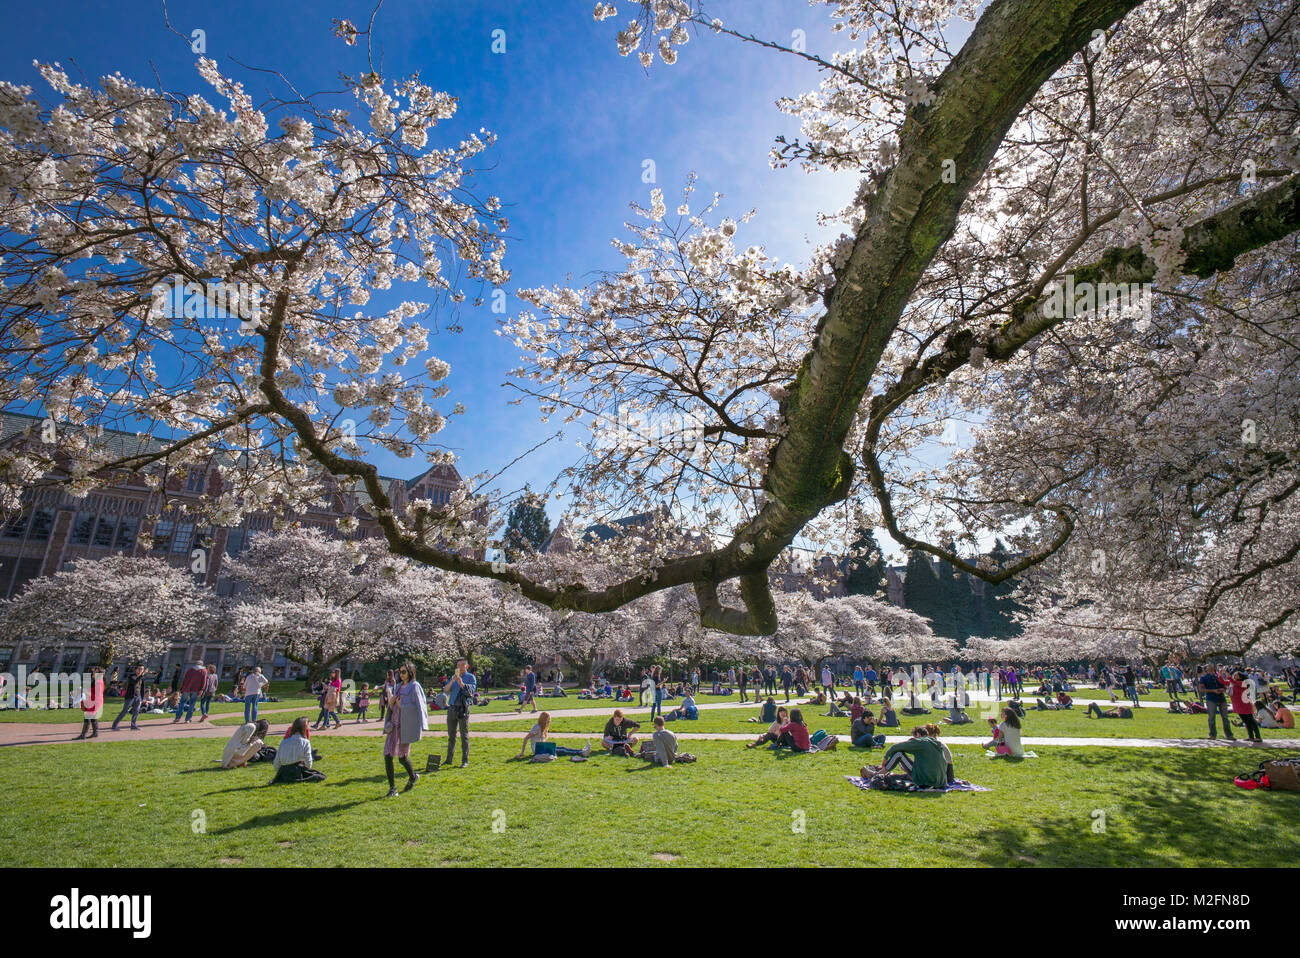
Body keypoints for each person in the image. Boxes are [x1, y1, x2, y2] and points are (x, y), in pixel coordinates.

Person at [383, 663, 426, 797]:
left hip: (405, 725)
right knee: (387, 755)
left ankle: (412, 776)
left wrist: (403, 706)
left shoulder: (415, 686)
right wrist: (391, 702)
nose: (401, 675)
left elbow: (420, 705)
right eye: (400, 672)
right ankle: (392, 788)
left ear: (410, 672)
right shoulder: (399, 686)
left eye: (403, 672)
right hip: (394, 725)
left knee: (402, 757)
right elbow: (392, 706)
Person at [865, 727, 947, 788]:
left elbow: (895, 747)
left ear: (918, 735)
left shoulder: (920, 742)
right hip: (940, 781)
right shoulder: (935, 742)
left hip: (927, 780)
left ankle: (878, 775)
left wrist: (885, 759)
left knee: (899, 754)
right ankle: (884, 774)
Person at [442, 658, 477, 768]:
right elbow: (446, 690)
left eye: (462, 665)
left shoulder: (471, 677)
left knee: (464, 735)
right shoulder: (453, 677)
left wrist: (461, 682)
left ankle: (465, 760)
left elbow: (471, 691)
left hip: (463, 708)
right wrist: (453, 680)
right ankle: (449, 759)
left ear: (467, 666)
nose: (460, 667)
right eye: (458, 665)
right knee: (451, 735)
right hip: (452, 708)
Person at [516, 712, 591, 759]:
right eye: (548, 719)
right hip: (538, 750)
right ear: (543, 719)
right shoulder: (537, 727)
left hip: (543, 748)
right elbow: (526, 738)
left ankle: (582, 751)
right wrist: (522, 753)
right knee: (562, 751)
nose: (549, 721)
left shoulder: (544, 727)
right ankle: (581, 753)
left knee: (562, 748)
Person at [273, 718, 324, 783]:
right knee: (320, 776)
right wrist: (307, 770)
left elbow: (277, 761)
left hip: (284, 772)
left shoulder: (284, 742)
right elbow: (308, 761)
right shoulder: (305, 742)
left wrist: (280, 771)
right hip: (297, 771)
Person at [1196, 664, 1235, 741]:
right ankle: (1212, 734)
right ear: (1206, 670)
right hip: (1211, 698)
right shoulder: (1204, 678)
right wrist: (1213, 691)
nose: (1211, 669)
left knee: (1225, 717)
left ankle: (1229, 735)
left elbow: (1225, 685)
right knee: (1212, 717)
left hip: (1221, 698)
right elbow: (1201, 689)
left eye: (1212, 668)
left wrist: (1222, 689)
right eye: (1209, 668)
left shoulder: (1218, 676)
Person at [1229, 671, 1263, 743]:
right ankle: (1250, 736)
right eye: (1234, 675)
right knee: (1245, 721)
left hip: (1244, 704)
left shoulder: (1243, 683)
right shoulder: (1234, 683)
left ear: (1240, 677)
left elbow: (1233, 682)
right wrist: (1220, 675)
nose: (1234, 676)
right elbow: (1225, 682)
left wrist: (1228, 675)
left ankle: (1258, 736)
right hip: (1238, 705)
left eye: (1236, 675)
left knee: (1251, 720)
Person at [111, 664, 146, 732]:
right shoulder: (132, 676)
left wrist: (142, 697)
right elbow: (134, 682)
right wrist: (141, 676)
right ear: (136, 669)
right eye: (139, 669)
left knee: (136, 711)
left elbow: (142, 688)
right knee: (125, 711)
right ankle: (115, 725)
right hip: (130, 696)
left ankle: (133, 725)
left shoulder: (142, 677)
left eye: (142, 669)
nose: (140, 670)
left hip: (138, 696)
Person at [173, 659, 207, 724]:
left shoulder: (190, 670)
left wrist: (182, 688)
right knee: (192, 703)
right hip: (195, 689)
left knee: (182, 702)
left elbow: (185, 678)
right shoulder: (203, 671)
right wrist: (202, 689)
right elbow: (204, 681)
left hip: (186, 688)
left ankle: (178, 717)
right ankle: (188, 719)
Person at [74, 667, 105, 740]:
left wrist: (84, 691)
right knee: (92, 717)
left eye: (95, 672)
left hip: (95, 702)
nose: (93, 673)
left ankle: (83, 735)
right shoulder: (96, 681)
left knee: (87, 716)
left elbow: (96, 694)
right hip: (93, 701)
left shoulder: (99, 682)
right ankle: (95, 733)